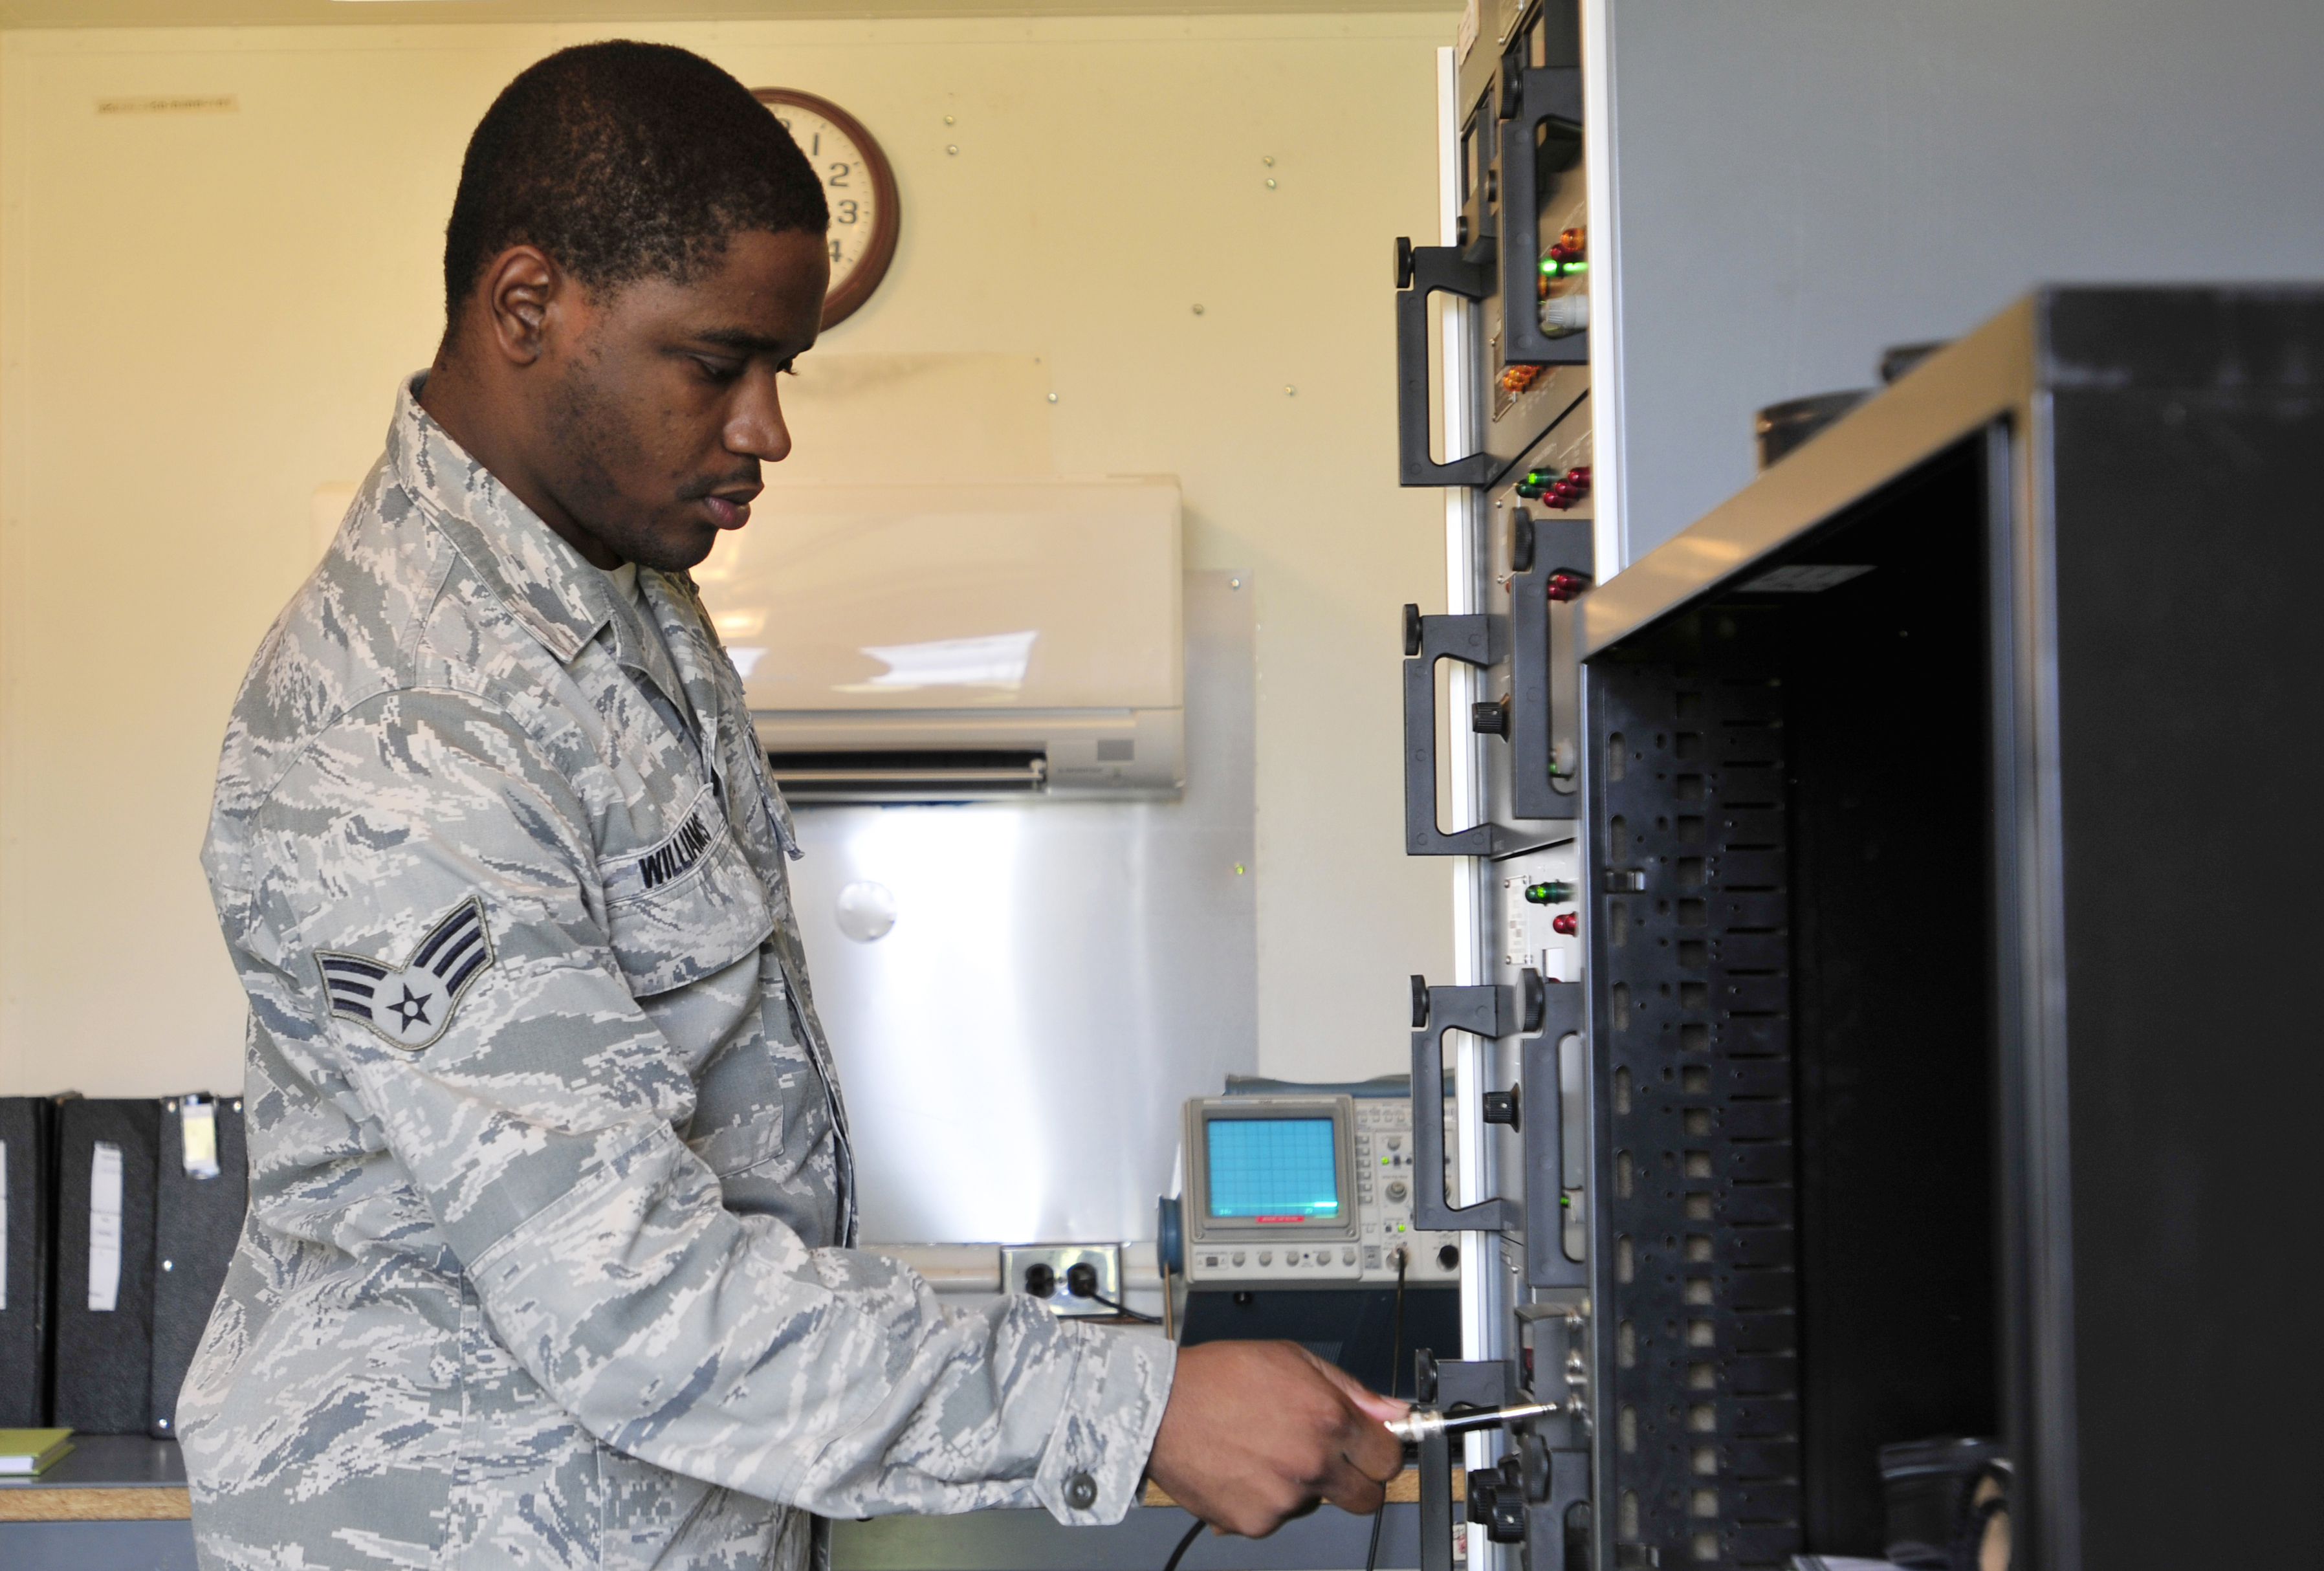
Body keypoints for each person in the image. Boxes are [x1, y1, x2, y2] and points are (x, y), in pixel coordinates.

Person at [182, 39, 1404, 1571]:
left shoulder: (621, 599)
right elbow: (630, 1293)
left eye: (783, 370)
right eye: (719, 362)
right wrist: (1134, 1404)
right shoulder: (405, 724)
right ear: (526, 308)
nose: (767, 428)